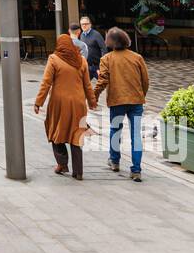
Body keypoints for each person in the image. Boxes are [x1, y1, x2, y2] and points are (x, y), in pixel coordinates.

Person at [33, 35, 97, 180]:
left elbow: (46, 82)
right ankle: (78, 171)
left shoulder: (54, 59)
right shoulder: (82, 60)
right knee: (76, 136)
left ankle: (62, 164)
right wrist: (92, 102)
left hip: (59, 104)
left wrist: (38, 102)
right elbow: (87, 84)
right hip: (78, 104)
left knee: (56, 131)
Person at [94, 27, 149, 182]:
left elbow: (103, 80)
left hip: (117, 101)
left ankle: (114, 160)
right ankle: (136, 169)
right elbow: (145, 81)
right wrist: (140, 95)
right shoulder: (137, 57)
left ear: (112, 41)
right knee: (136, 135)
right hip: (136, 101)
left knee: (115, 131)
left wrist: (94, 95)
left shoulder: (107, 59)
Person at [79, 16, 106, 80]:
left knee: (104, 84)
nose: (84, 26)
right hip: (87, 66)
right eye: (82, 24)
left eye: (86, 24)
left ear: (90, 25)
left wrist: (102, 66)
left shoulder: (96, 35)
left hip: (97, 66)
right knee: (84, 86)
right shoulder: (81, 35)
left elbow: (104, 49)